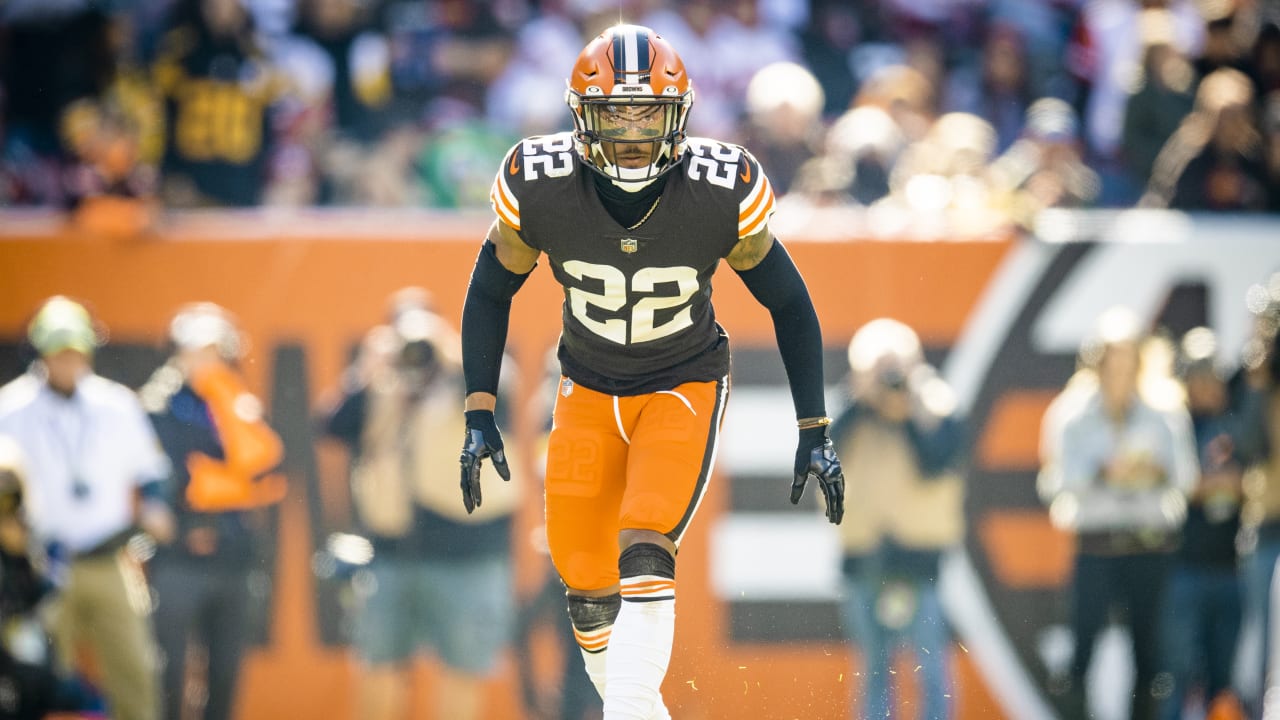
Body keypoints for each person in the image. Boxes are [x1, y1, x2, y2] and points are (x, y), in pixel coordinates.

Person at [457, 24, 846, 720]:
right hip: (585, 386)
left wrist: (813, 423)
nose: (634, 133)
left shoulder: (718, 187)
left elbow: (790, 301)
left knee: (644, 542)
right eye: (616, 113)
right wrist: (479, 407)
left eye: (648, 114)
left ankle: (630, 706)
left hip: (682, 381)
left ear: (680, 116)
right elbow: (490, 290)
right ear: (582, 116)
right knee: (583, 581)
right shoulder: (539, 183)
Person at [320, 289, 518, 720]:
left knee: (463, 672)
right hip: (391, 555)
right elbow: (332, 426)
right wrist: (366, 371)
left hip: (470, 556)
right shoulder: (381, 384)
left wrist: (457, 353)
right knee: (379, 666)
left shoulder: (470, 375)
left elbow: (507, 394)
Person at [0, 296, 174, 720]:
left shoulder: (116, 404)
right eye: (59, 352)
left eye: (75, 351)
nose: (68, 361)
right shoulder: (10, 407)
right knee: (39, 679)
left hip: (109, 558)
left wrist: (155, 504)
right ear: (41, 351)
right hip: (41, 567)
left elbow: (151, 470)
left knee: (135, 672)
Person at [1038, 306, 1198, 720]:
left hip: (1149, 543)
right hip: (1097, 544)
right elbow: (1054, 482)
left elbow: (1186, 477)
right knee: (1082, 647)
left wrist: (1152, 471)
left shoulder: (1165, 412)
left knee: (1149, 651)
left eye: (1129, 355)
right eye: (1113, 355)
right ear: (1097, 359)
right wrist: (1101, 472)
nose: (1121, 366)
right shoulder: (1070, 414)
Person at [139, 302, 286, 720]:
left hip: (233, 561)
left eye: (216, 352)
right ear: (178, 354)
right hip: (178, 560)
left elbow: (267, 470)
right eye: (197, 351)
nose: (207, 362)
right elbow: (180, 479)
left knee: (224, 676)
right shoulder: (157, 407)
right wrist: (221, 483)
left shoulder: (240, 406)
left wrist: (221, 482)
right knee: (167, 674)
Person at [831, 318, 966, 720]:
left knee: (931, 671)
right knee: (873, 669)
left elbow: (936, 462)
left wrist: (906, 412)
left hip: (917, 562)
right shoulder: (850, 405)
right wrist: (861, 399)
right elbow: (819, 454)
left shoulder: (938, 404)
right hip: (865, 560)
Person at [1159, 327, 1245, 720]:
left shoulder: (1238, 422)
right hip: (1185, 568)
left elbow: (1252, 481)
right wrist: (1217, 484)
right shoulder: (1173, 426)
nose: (1209, 384)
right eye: (1200, 375)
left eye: (1214, 375)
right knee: (1177, 676)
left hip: (1231, 567)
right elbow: (1184, 485)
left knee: (1224, 682)